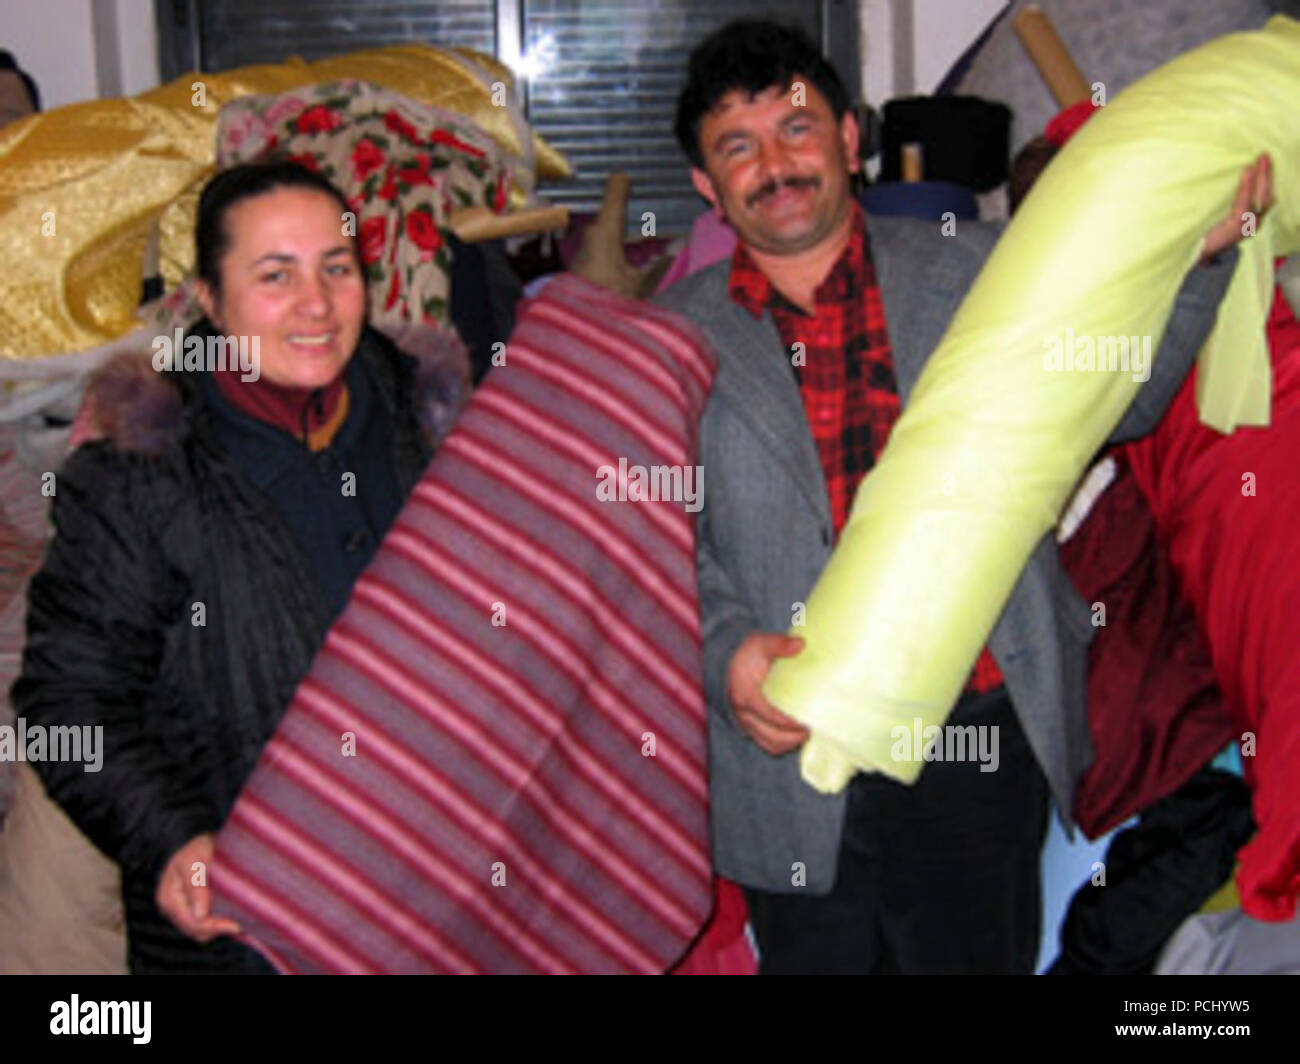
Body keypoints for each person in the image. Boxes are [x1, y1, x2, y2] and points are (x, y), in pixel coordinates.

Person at [655, 19, 1257, 974]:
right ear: (706, 184)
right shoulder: (662, 343)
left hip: (977, 732)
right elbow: (652, 539)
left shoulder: (984, 266)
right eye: (739, 145)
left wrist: (1199, 263)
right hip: (789, 753)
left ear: (852, 138)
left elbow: (1121, 393)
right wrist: (726, 654)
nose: (776, 162)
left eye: (798, 128)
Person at [12, 161, 462, 973]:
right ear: (211, 302)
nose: (317, 304)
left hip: (433, 901)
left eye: (336, 268)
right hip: (247, 928)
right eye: (274, 275)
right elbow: (65, 709)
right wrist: (175, 836)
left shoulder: (435, 431)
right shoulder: (136, 478)